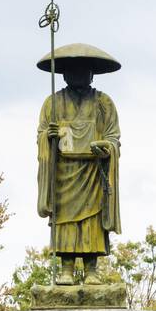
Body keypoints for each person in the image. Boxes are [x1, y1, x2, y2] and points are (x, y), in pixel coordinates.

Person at [35, 43, 121, 285]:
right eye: (72, 70)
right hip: (63, 172)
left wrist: (105, 147)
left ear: (92, 73)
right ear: (63, 73)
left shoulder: (104, 102)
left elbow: (114, 138)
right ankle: (66, 269)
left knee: (93, 219)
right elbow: (41, 133)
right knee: (65, 219)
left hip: (94, 172)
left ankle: (92, 269)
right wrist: (48, 138)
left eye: (84, 70)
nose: (78, 74)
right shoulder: (52, 103)